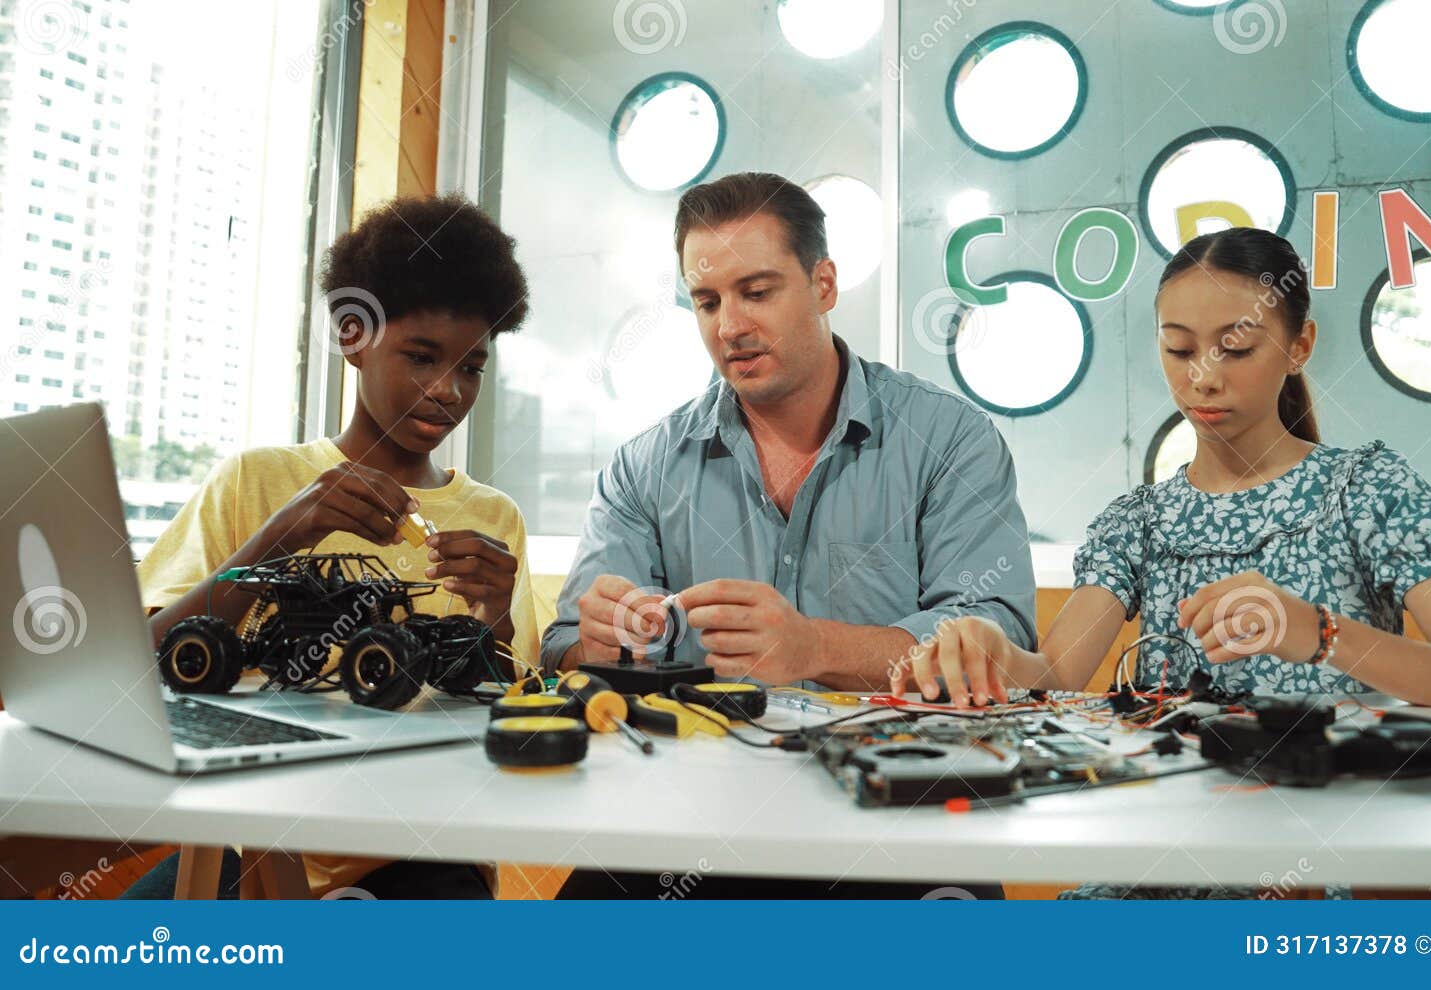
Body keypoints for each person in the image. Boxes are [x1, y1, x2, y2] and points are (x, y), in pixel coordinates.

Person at [542, 171, 1036, 898]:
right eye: (706, 301)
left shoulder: (948, 440)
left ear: (825, 285)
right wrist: (607, 637)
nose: (729, 325)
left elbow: (992, 642)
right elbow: (567, 650)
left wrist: (815, 647)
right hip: (684, 826)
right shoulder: (645, 466)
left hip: (899, 818)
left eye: (757, 291)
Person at [897, 225, 1431, 729]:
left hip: (1322, 844)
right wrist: (990, 647)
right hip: (1164, 844)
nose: (1203, 375)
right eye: (1178, 349)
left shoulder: (1366, 491)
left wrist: (1317, 633)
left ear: (1298, 346)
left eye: (1236, 347)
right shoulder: (1138, 521)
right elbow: (1056, 675)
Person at [126, 194, 550, 900]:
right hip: (249, 840)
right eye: (421, 356)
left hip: (422, 855)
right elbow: (136, 671)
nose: (447, 391)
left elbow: (520, 718)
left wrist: (498, 622)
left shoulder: (491, 519)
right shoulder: (257, 483)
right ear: (353, 336)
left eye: (471, 367)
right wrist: (277, 538)